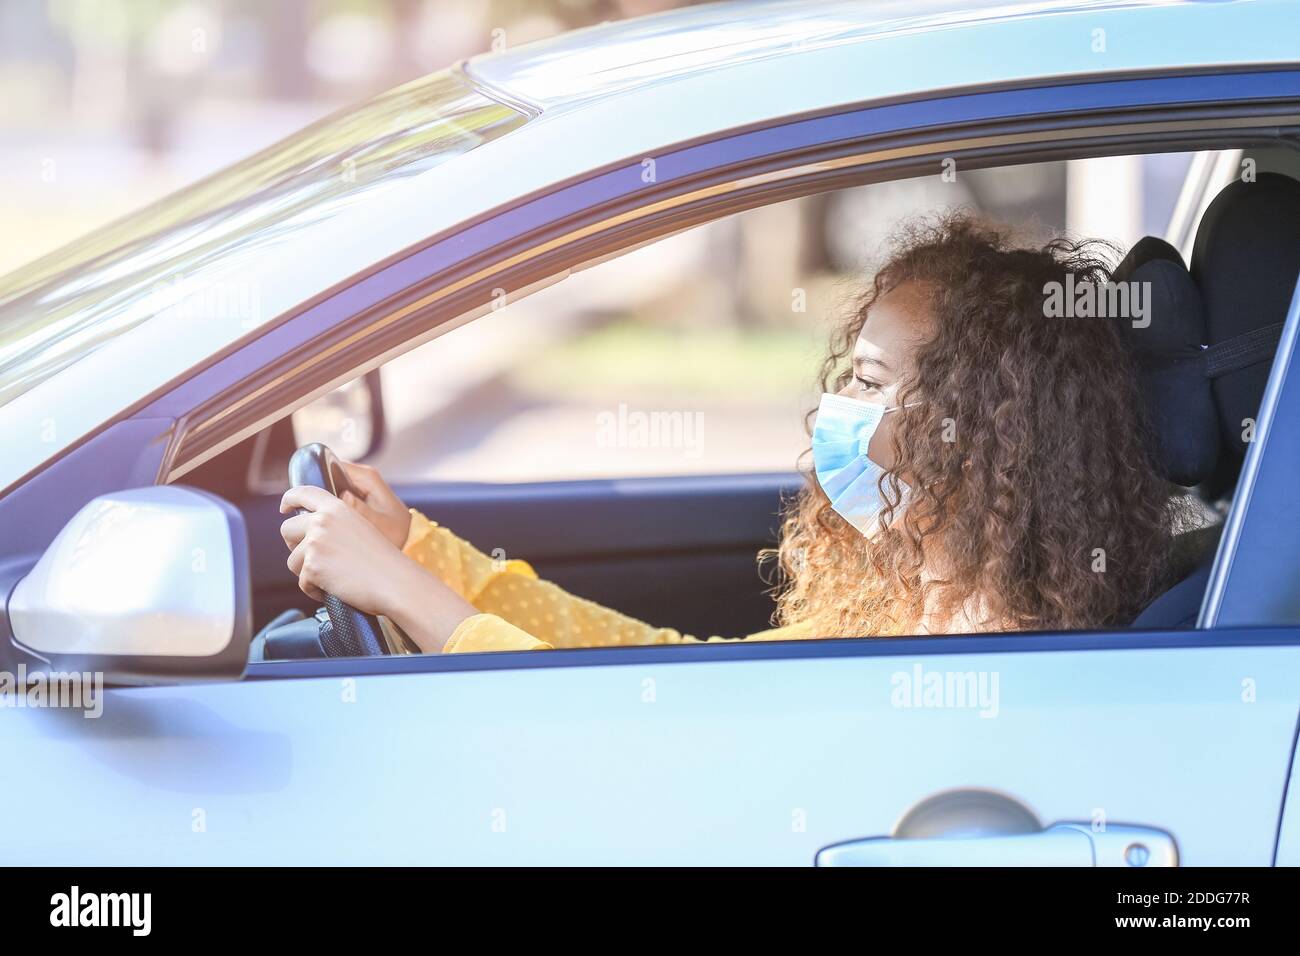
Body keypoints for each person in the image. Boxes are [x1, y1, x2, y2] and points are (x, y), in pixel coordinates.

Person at [279, 215, 1188, 654]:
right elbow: (671, 677)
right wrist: (423, 554)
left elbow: (626, 739)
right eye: (848, 378)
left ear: (985, 434)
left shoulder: (983, 657)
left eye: (871, 384)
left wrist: (398, 587)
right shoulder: (914, 607)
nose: (837, 410)